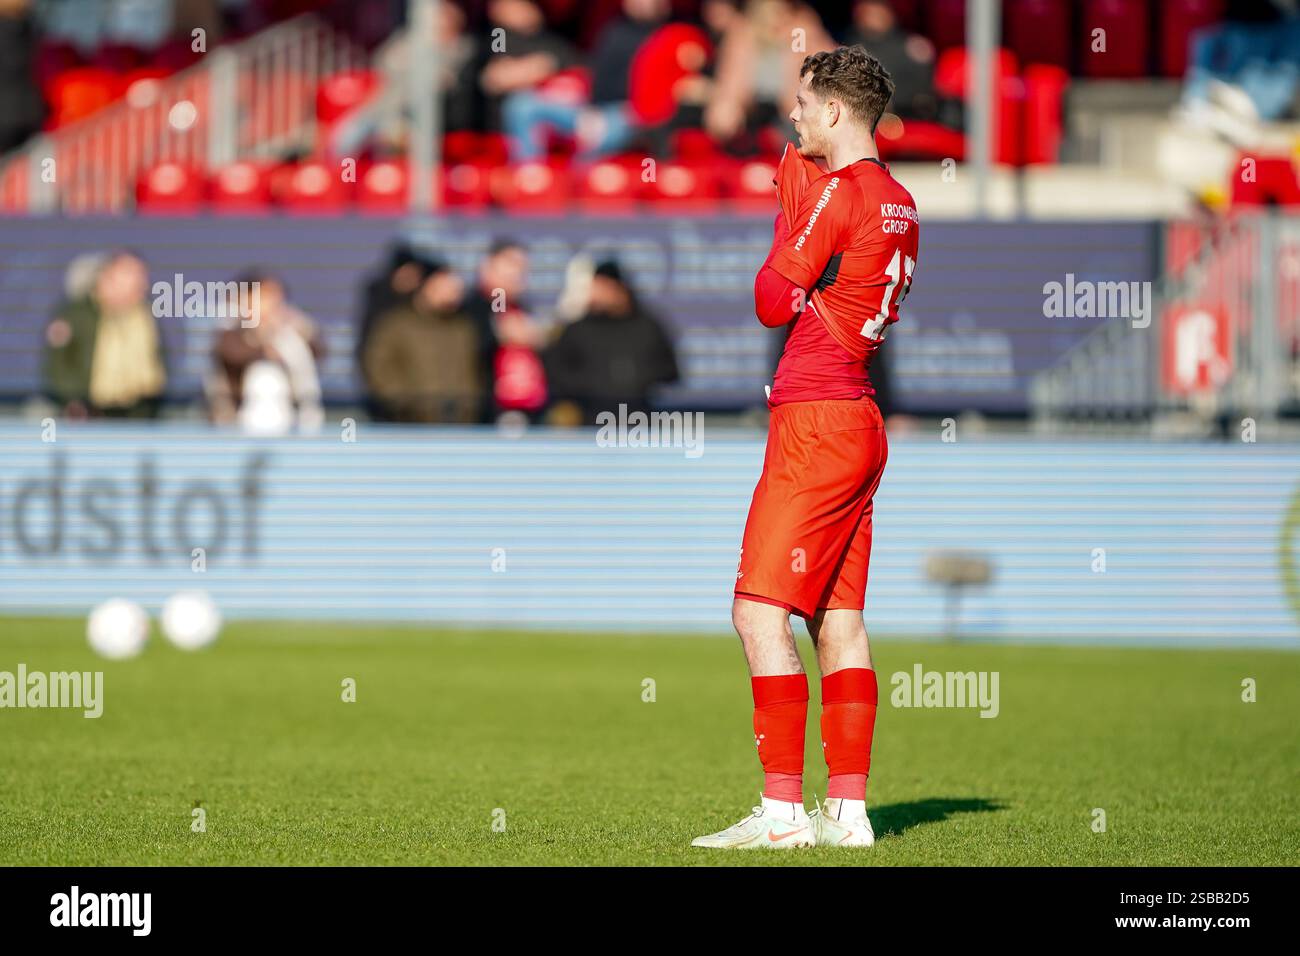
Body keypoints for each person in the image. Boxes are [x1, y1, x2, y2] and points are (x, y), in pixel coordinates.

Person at [691, 45, 918, 850]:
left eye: (800, 103)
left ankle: (783, 811)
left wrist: (794, 219)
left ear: (832, 110)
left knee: (757, 611)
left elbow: (767, 301)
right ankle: (848, 814)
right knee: (840, 619)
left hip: (817, 421)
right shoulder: (900, 197)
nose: (791, 115)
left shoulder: (844, 192)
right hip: (859, 413)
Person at [543, 259, 678, 424]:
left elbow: (670, 371)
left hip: (639, 420)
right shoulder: (577, 329)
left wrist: (633, 380)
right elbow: (556, 374)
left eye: (603, 287)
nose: (595, 294)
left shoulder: (647, 328)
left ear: (619, 289)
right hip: (590, 421)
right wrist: (595, 384)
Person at [43, 250, 167, 419]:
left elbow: (159, 366)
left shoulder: (147, 317)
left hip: (138, 414)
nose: (143, 283)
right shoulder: (76, 315)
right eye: (133, 275)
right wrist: (73, 401)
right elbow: (57, 368)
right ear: (109, 277)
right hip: (89, 414)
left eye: (143, 276)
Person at [362, 261, 482, 423]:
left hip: (460, 423)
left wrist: (470, 404)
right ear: (427, 285)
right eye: (444, 286)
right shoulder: (396, 324)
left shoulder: (464, 327)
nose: (453, 293)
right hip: (409, 425)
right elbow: (378, 366)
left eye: (456, 289)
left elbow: (477, 372)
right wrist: (405, 404)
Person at [211, 272, 326, 433]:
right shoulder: (230, 332)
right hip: (236, 429)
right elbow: (233, 356)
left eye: (275, 297)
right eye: (263, 297)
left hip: (290, 428)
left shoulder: (292, 334)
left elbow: (316, 352)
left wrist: (294, 327)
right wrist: (262, 338)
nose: (270, 304)